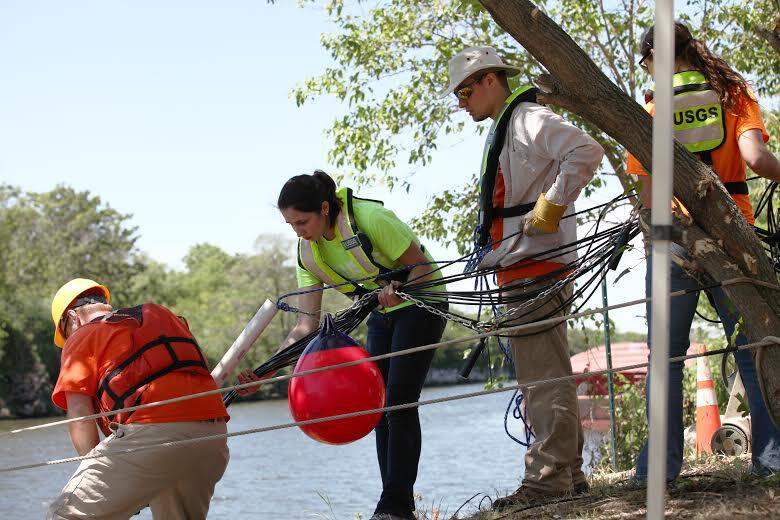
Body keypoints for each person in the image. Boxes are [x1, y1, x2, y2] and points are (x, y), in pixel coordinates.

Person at [440, 46, 604, 508]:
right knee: (546, 374)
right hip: (521, 266)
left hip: (536, 265)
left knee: (541, 378)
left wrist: (550, 206)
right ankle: (567, 474)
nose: (462, 103)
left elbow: (584, 151)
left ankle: (547, 480)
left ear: (491, 80)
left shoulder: (526, 119)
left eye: (465, 91)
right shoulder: (509, 127)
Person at [239, 170, 447, 520]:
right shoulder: (308, 254)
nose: (298, 232)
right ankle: (395, 505)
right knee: (380, 407)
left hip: (422, 302)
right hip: (381, 310)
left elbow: (422, 269)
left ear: (324, 208)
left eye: (302, 222)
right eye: (291, 225)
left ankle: (394, 506)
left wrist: (401, 291)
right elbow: (305, 326)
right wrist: (265, 372)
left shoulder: (371, 219)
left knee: (399, 400)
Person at [626, 21, 780, 482]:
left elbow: (651, 191)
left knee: (665, 359)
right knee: (754, 345)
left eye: (645, 63)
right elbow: (756, 159)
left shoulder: (652, 108)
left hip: (674, 239)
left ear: (656, 57)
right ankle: (772, 456)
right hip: (735, 235)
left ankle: (660, 467)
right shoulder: (734, 93)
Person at [47, 278, 230, 520]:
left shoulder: (82, 335)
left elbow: (81, 416)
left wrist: (105, 476)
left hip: (157, 433)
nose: (68, 340)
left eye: (65, 332)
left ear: (72, 317)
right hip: (214, 437)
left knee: (66, 515)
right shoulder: (158, 318)